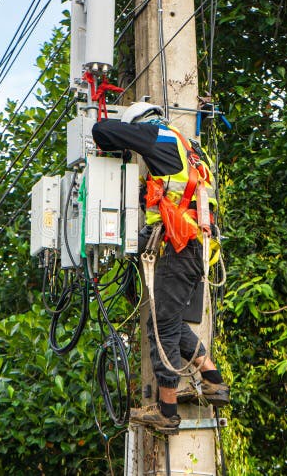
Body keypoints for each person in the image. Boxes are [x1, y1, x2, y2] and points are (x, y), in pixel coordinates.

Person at [92, 101, 230, 435]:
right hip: (196, 247)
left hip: (178, 245)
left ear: (143, 123)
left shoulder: (159, 137)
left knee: (162, 327)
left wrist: (125, 138)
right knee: (169, 321)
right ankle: (213, 382)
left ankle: (167, 412)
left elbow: (101, 131)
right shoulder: (190, 149)